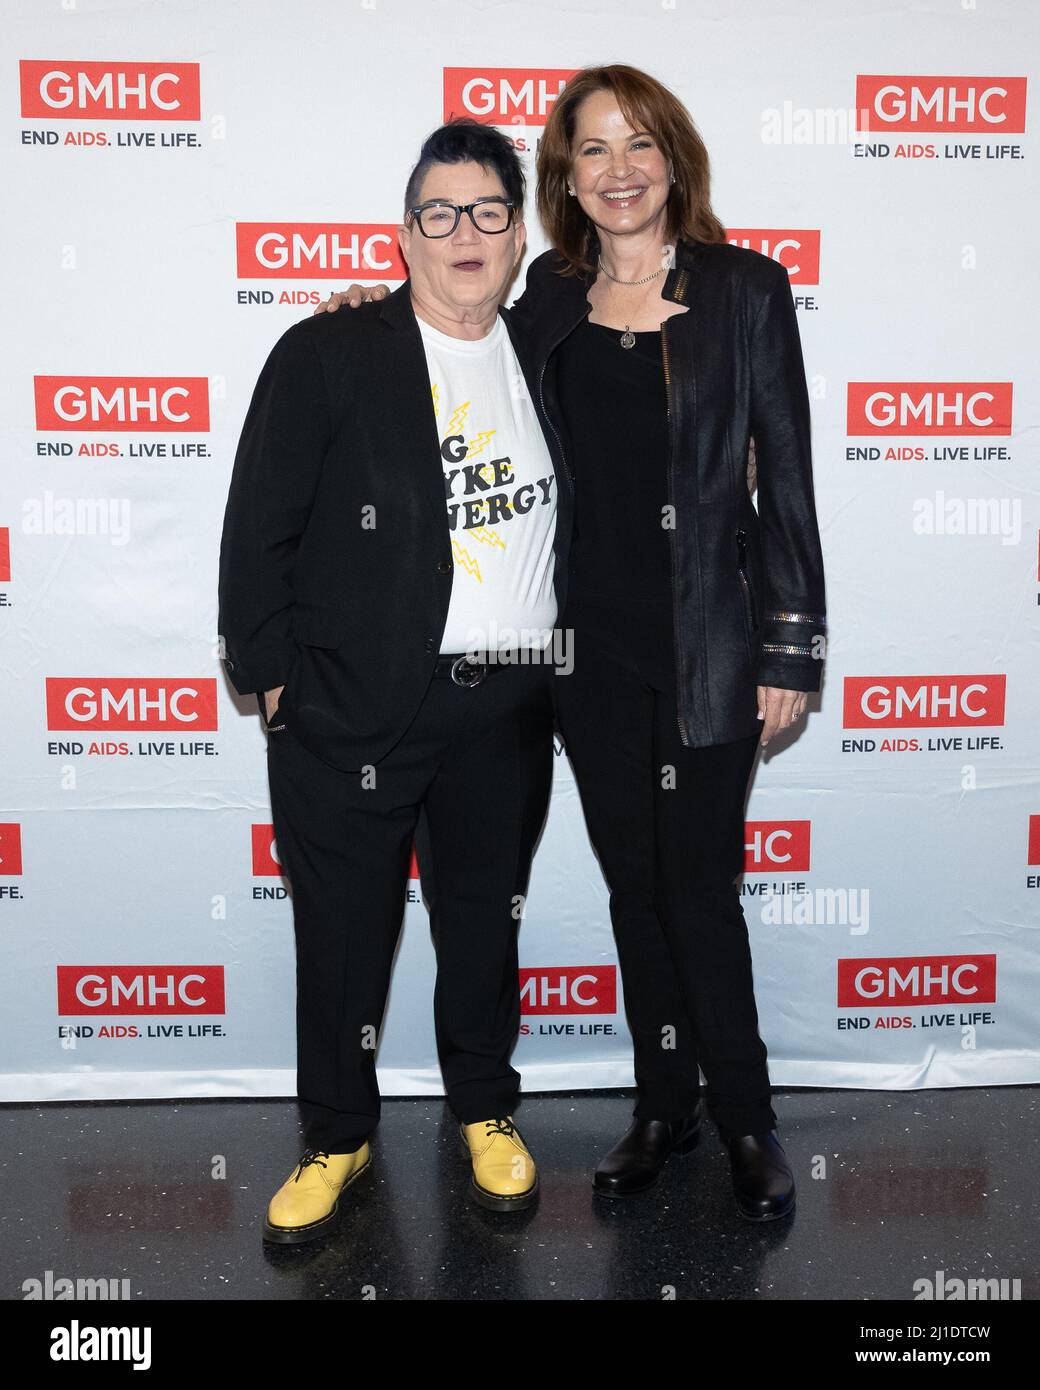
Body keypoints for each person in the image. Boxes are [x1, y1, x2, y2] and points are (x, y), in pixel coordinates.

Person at [318, 64, 826, 1222]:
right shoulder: (546, 293)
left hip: (704, 647)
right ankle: (662, 1104)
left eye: (638, 143)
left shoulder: (745, 292)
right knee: (631, 888)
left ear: (672, 159)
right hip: (579, 653)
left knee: (697, 886)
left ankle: (745, 1117)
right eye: (592, 149)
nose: (618, 169)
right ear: (566, 175)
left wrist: (789, 650)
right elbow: (447, 330)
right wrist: (362, 318)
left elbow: (783, 480)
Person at [218, 119, 575, 1242]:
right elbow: (257, 529)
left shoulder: (550, 346)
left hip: (506, 703)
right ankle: (335, 1135)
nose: (462, 232)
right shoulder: (329, 351)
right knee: (340, 933)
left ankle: (484, 1111)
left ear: (518, 236)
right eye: (438, 211)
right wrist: (270, 678)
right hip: (348, 703)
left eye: (486, 212)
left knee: (481, 920)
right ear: (404, 232)